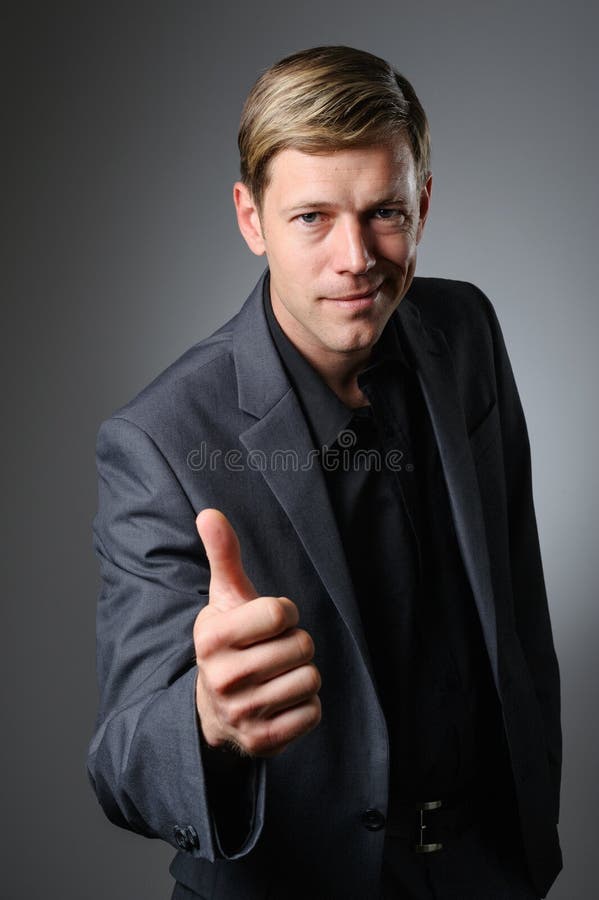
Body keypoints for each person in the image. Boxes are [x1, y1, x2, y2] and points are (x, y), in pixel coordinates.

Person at [88, 46, 562, 899]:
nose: (356, 258)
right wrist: (208, 722)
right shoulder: (156, 437)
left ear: (421, 203)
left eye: (383, 212)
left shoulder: (466, 330)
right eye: (311, 217)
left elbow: (516, 600)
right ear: (250, 217)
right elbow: (122, 762)